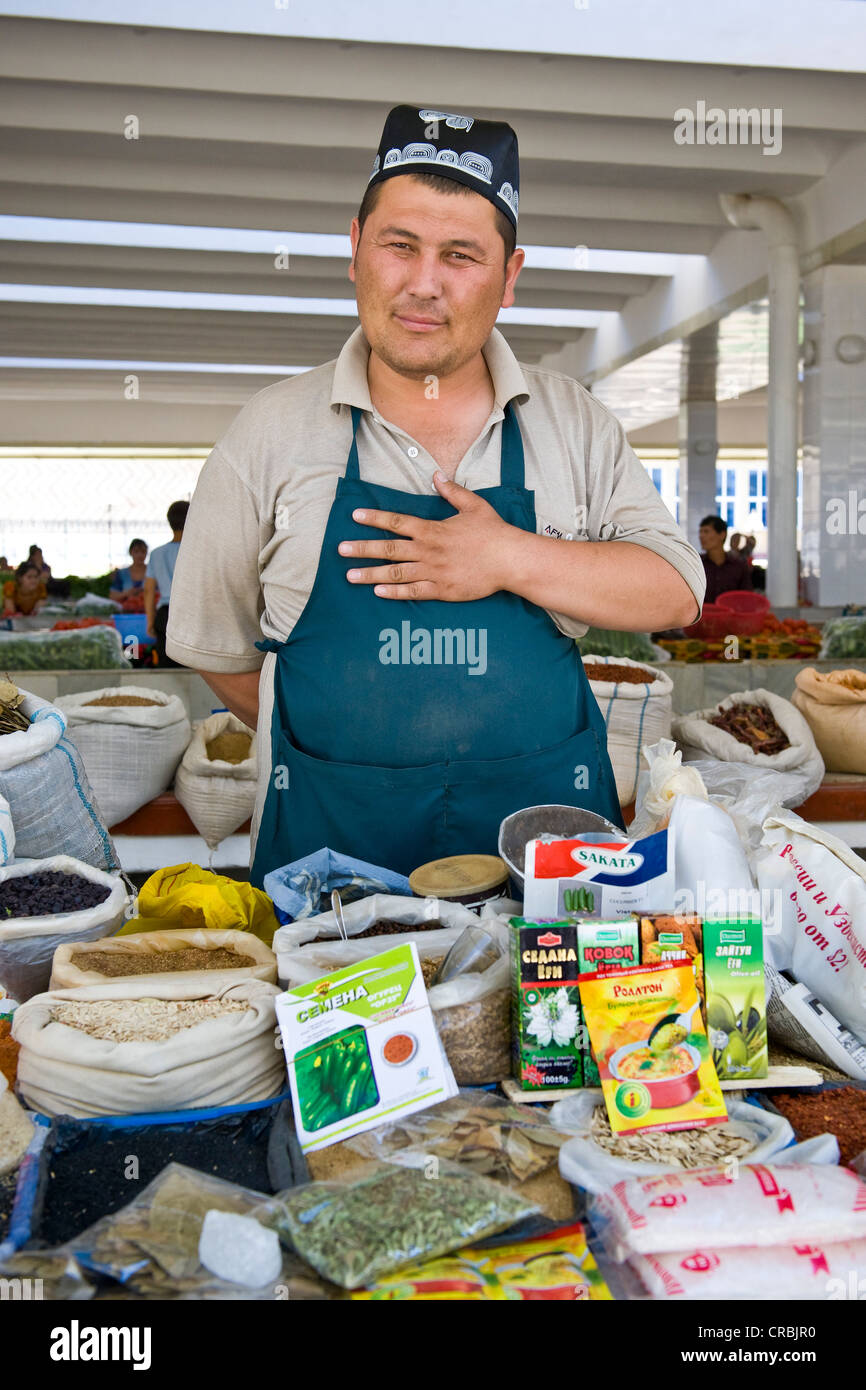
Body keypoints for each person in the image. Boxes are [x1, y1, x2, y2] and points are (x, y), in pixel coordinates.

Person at [166, 104, 704, 886]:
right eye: (400, 245)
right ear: (355, 249)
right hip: (332, 863)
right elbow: (215, 643)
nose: (424, 284)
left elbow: (677, 589)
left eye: (461, 255)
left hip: (544, 874)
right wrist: (346, 754)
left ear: (509, 276)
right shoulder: (269, 433)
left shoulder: (574, 424)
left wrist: (507, 555)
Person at [145, 503, 187, 667]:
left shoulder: (156, 554)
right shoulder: (196, 551)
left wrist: (150, 621)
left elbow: (148, 590)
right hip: (190, 613)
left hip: (165, 614)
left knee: (166, 665)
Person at [698, 516, 753, 604]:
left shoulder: (739, 566)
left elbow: (747, 598)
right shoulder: (696, 564)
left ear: (722, 535)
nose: (701, 536)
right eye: (700, 532)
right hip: (704, 616)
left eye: (706, 531)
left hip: (732, 616)